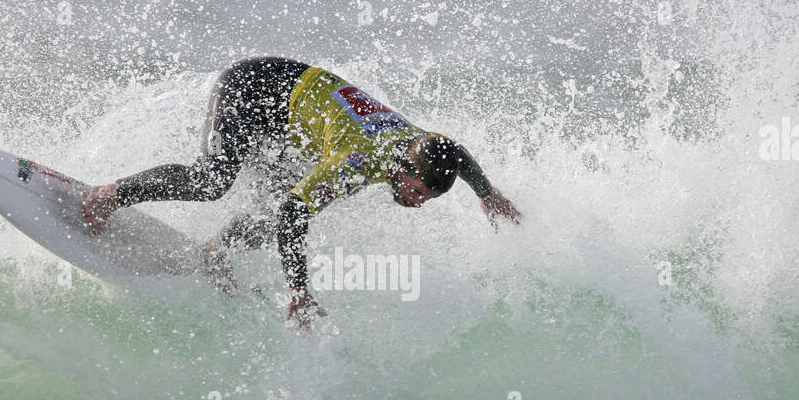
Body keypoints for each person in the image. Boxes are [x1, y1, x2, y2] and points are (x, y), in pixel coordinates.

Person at [82, 56, 521, 325]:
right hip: (253, 87)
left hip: (288, 118)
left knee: (274, 205)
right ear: (405, 166)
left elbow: (456, 154)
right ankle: (109, 194)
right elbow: (296, 212)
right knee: (214, 180)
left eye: (425, 197)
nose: (417, 202)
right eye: (418, 192)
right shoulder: (360, 160)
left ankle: (216, 249)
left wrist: (487, 194)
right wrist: (300, 292)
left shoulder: (420, 144)